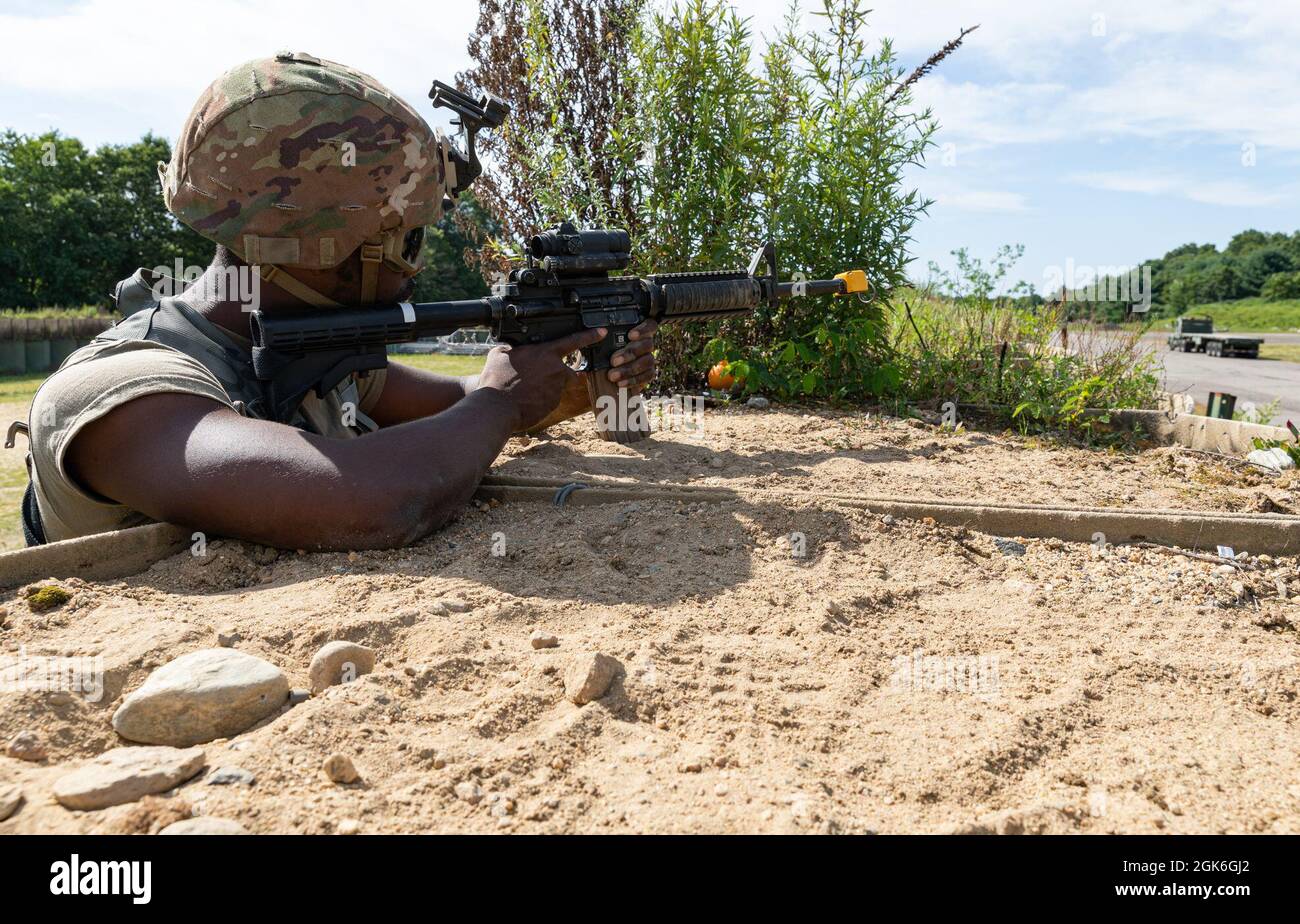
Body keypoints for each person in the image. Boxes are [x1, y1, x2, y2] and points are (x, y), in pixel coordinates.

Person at [20, 52, 657, 549]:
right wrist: (498, 404)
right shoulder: (123, 394)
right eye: (406, 237)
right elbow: (368, 502)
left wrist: (579, 369)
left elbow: (465, 405)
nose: (416, 262)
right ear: (324, 246)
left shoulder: (319, 358)